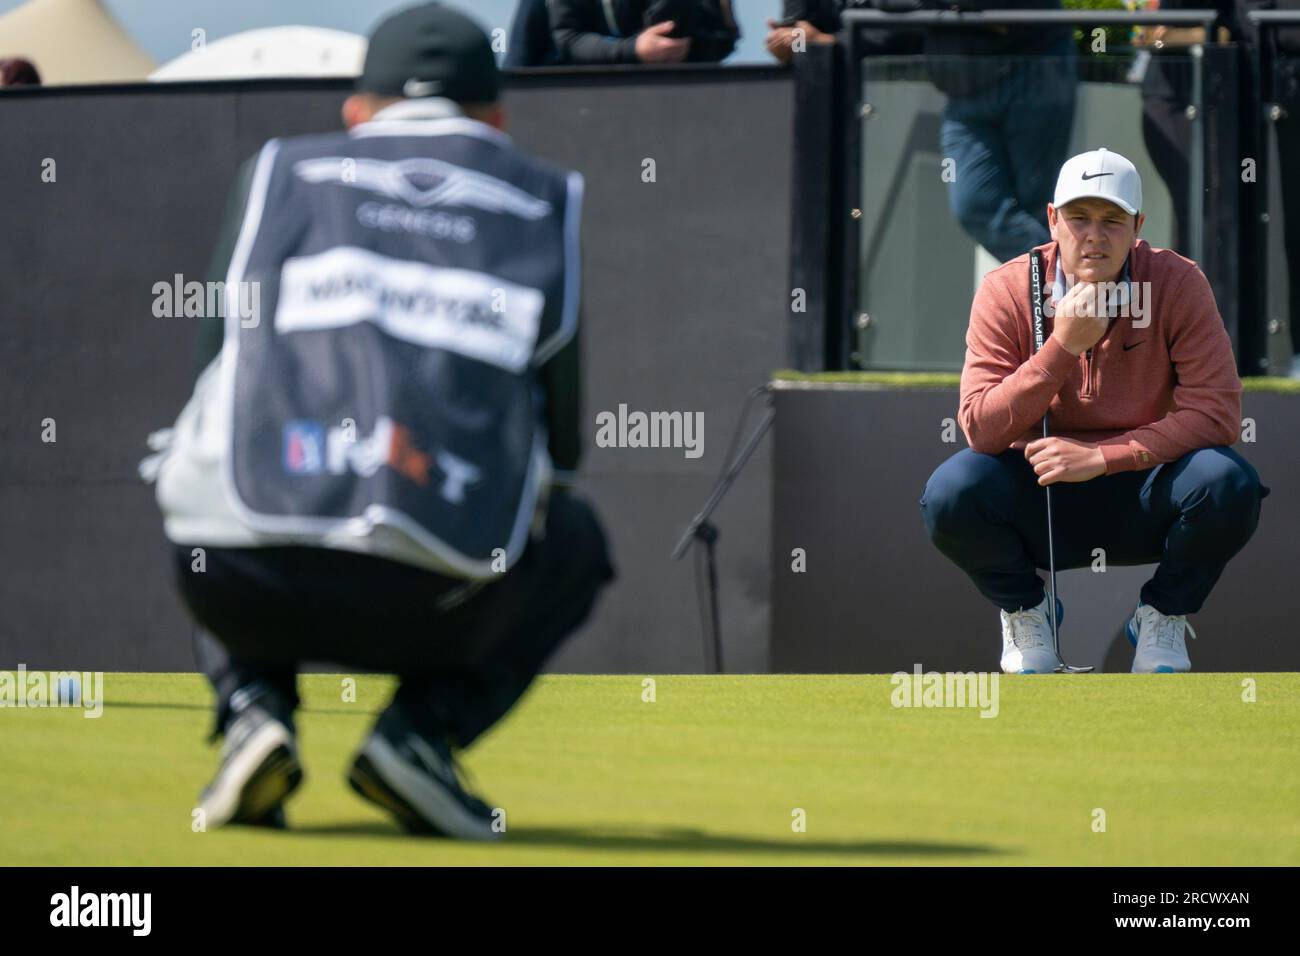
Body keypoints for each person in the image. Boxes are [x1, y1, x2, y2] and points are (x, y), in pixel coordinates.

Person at [148, 3, 614, 839]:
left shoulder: (277, 170)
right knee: (575, 538)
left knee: (201, 457)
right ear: (496, 117)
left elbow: (212, 361)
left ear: (357, 110)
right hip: (442, 590)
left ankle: (255, 709)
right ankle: (418, 737)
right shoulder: (545, 196)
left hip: (242, 576)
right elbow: (565, 433)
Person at [919, 148, 1269, 675]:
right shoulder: (1007, 288)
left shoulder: (1177, 282)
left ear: (1137, 227)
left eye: (1112, 220)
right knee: (951, 493)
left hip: (1145, 489)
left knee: (1228, 483)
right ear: (1053, 219)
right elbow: (979, 428)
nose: (1095, 235)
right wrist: (1061, 347)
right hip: (1043, 493)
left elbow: (1218, 414)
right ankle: (1026, 608)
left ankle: (1163, 614)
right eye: (1079, 217)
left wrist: (1102, 457)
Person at [549, 0, 739, 65]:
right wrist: (633, 49)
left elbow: (722, 40)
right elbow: (568, 38)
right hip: (593, 93)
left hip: (690, 92)